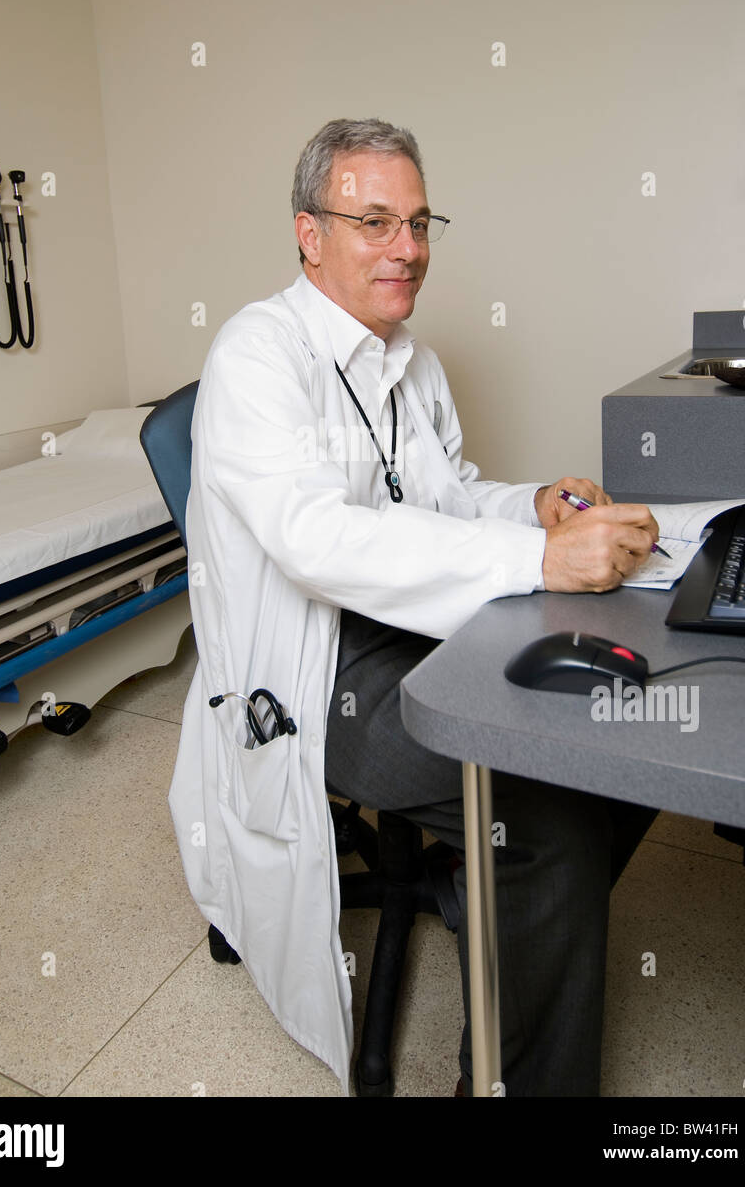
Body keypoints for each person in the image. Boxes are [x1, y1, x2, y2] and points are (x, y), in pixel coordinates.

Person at [169, 117, 660, 1096]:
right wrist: (539, 556)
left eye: (420, 222)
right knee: (545, 811)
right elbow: (320, 540)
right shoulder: (257, 357)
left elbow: (438, 497)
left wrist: (524, 506)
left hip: (415, 621)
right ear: (309, 233)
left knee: (630, 715)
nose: (408, 249)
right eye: (375, 222)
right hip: (317, 674)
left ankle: (497, 901)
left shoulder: (409, 361)